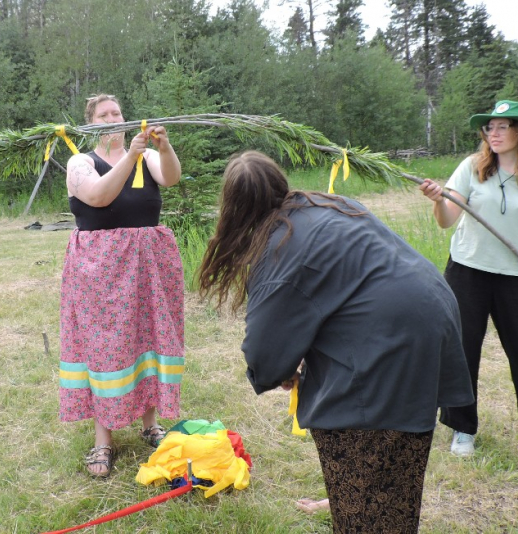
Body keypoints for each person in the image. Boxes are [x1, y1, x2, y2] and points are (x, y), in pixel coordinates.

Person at [198, 151, 474, 533]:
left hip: (391, 336)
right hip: (430, 315)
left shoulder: (280, 247)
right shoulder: (328, 203)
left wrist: (274, 370)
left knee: (364, 454)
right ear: (279, 182)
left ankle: (363, 518)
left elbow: (263, 348)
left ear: (233, 207)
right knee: (395, 459)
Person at [59, 94, 184, 478]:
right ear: (91, 124)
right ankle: (103, 440)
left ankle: (150, 424)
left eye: (117, 113)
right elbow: (98, 196)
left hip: (148, 265)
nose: (112, 118)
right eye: (103, 115)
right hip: (101, 270)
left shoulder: (146, 158)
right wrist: (130, 155)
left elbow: (172, 177)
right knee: (106, 348)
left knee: (148, 340)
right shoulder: (80, 161)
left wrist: (165, 147)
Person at [420, 100, 518, 457]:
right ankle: (462, 428)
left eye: (502, 126)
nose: (493, 133)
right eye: (489, 127)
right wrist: (436, 200)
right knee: (462, 351)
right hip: (467, 272)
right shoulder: (472, 168)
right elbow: (447, 219)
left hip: (513, 277)